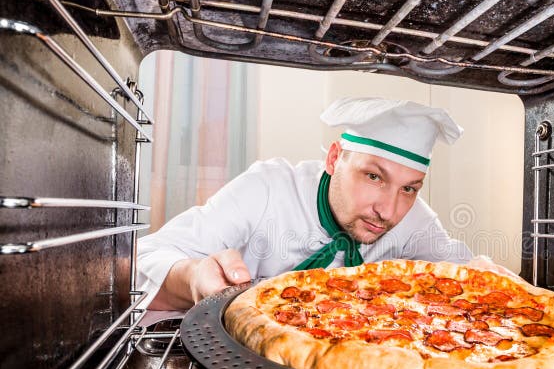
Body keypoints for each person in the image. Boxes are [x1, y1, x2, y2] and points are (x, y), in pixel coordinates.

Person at [137, 97, 511, 310]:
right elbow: (145, 257)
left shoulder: (413, 218)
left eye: (410, 188)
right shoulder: (268, 188)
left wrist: (480, 269)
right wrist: (193, 276)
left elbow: (462, 267)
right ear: (334, 159)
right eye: (374, 177)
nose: (390, 211)